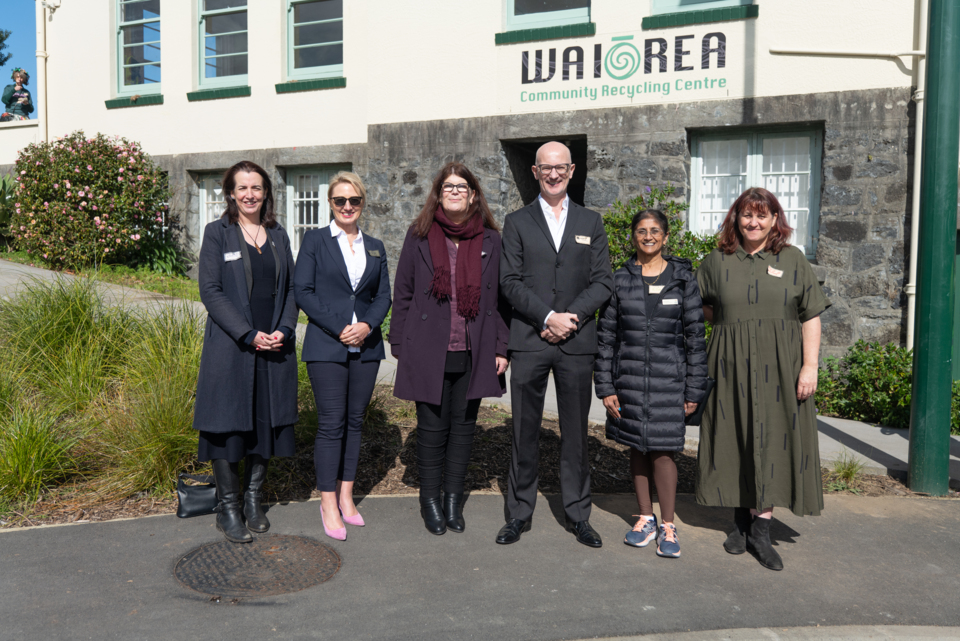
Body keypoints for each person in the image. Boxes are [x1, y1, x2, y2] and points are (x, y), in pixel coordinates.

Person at [695, 187, 830, 571]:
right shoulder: (715, 262)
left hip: (781, 367)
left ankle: (761, 531)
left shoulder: (792, 259)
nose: (753, 222)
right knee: (735, 436)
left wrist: (810, 366)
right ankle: (739, 522)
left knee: (773, 441)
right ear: (735, 219)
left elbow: (811, 316)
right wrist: (729, 328)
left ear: (775, 220)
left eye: (762, 215)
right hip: (728, 365)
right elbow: (702, 307)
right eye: (746, 215)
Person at [497, 141, 614, 547]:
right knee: (524, 431)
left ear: (572, 170)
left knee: (576, 434)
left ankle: (578, 514)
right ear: (534, 172)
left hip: (576, 343)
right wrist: (547, 317)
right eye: (546, 168)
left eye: (560, 167)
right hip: (531, 340)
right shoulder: (516, 222)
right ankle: (518, 514)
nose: (553, 174)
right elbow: (508, 281)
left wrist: (571, 319)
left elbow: (603, 281)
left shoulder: (591, 221)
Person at [390, 162, 509, 535]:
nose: (455, 191)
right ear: (438, 194)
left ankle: (453, 499)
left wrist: (502, 348)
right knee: (431, 428)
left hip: (475, 348)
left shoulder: (492, 239)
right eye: (448, 186)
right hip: (427, 347)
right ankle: (430, 501)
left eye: (462, 186)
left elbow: (503, 301)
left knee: (463, 429)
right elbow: (404, 292)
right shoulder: (419, 235)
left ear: (474, 194)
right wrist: (398, 343)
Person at [193, 161, 299, 544]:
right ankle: (228, 508)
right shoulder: (218, 233)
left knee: (264, 424)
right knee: (227, 427)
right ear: (231, 193)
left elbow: (291, 289)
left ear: (266, 192)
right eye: (243, 188)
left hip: (274, 348)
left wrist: (284, 330)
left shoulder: (278, 234)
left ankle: (253, 499)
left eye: (257, 187)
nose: (250, 194)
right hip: (232, 347)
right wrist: (248, 333)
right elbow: (211, 291)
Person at [594, 210, 708, 558]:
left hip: (669, 380)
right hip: (627, 378)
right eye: (641, 231)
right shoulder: (619, 279)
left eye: (654, 231)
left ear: (666, 236)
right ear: (633, 236)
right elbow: (606, 337)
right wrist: (605, 386)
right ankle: (645, 517)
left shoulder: (683, 280)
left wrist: (694, 389)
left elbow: (695, 339)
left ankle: (668, 524)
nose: (647, 236)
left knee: (663, 449)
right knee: (636, 447)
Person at [294, 171, 391, 541]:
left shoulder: (376, 246)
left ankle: (348, 496)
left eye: (354, 201)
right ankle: (328, 502)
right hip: (327, 346)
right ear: (330, 204)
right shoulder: (315, 240)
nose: (347, 207)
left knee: (355, 422)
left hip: (365, 347)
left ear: (362, 204)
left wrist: (366, 326)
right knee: (332, 423)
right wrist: (341, 327)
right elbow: (303, 291)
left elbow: (383, 296)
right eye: (340, 201)